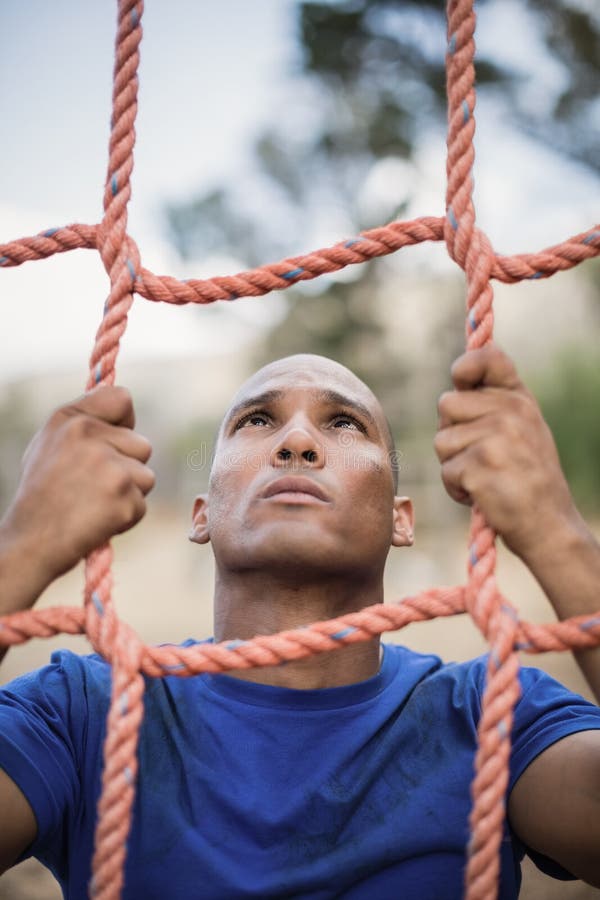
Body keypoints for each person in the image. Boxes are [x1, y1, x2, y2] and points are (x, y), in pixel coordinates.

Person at [0, 345, 600, 900]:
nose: (297, 443)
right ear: (202, 513)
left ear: (402, 519)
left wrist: (555, 530)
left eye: (343, 423)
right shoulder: (83, 713)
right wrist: (22, 548)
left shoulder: (494, 714)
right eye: (257, 420)